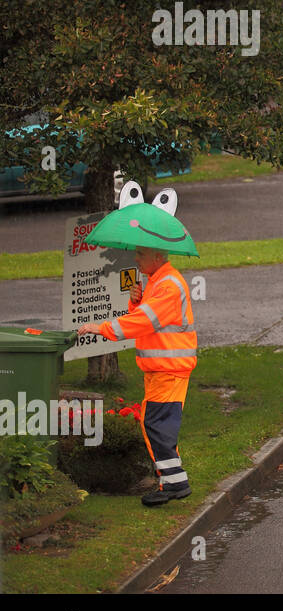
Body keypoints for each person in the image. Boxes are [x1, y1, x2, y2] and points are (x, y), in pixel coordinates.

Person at [80, 184, 198, 507]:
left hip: (169, 369)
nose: (136, 257)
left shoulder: (168, 285)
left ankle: (175, 483)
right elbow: (145, 319)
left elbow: (142, 323)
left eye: (141, 253)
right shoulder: (157, 282)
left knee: (158, 426)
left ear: (158, 255)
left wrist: (101, 328)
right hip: (162, 368)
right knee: (155, 424)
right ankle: (172, 482)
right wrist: (135, 301)